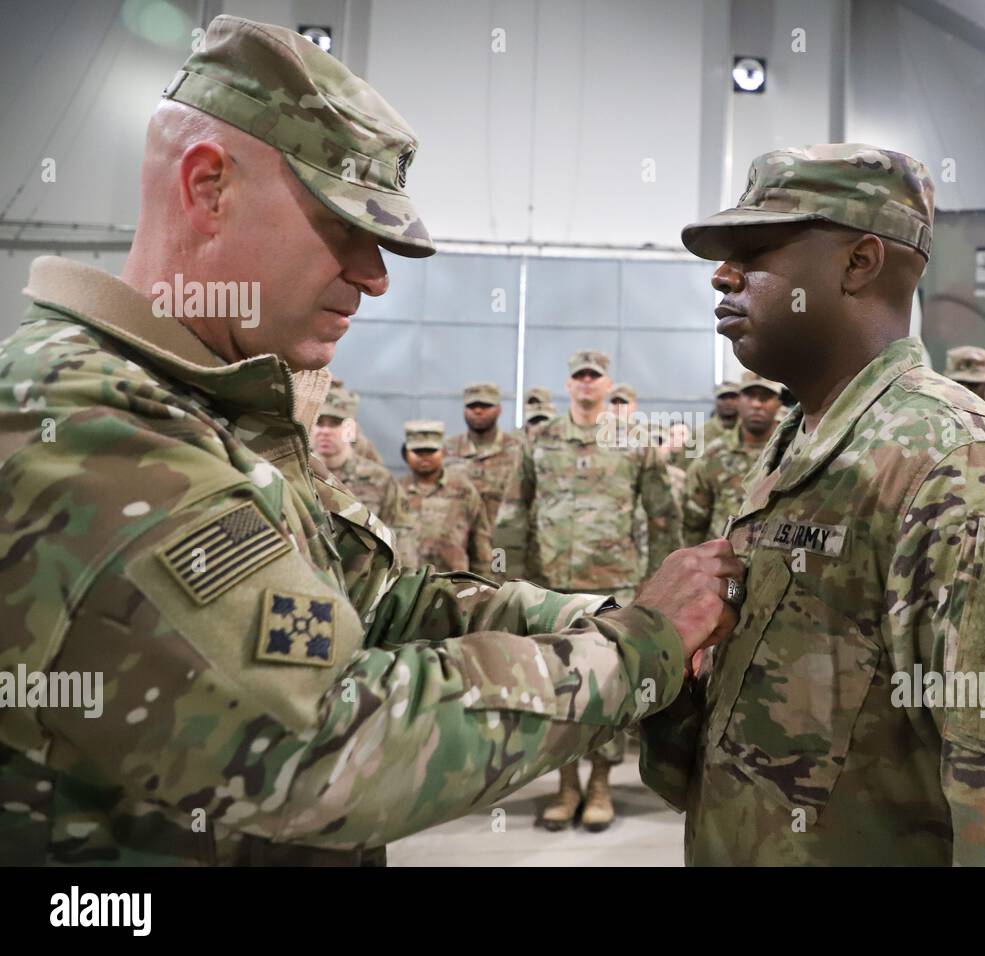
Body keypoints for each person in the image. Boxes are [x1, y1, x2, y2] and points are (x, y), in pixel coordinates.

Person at [0, 15, 740, 865]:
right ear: (208, 187)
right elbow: (326, 747)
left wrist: (610, 615)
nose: (376, 276)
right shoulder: (86, 423)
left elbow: (383, 605)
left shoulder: (217, 412)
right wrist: (639, 645)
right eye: (345, 226)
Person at [639, 143, 985, 866]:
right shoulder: (803, 441)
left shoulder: (969, 476)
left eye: (754, 250)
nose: (723, 276)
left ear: (859, 263)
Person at [496, 349, 682, 832]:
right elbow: (515, 512)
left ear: (606, 384)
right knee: (555, 686)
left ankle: (600, 784)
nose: (585, 383)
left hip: (614, 583)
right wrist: (511, 578)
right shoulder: (541, 440)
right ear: (568, 384)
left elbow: (663, 514)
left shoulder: (633, 441)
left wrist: (659, 580)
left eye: (593, 376)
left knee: (606, 686)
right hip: (550, 586)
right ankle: (565, 785)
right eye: (578, 375)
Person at [682, 371, 782, 545]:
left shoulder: (796, 451)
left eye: (765, 398)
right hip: (724, 561)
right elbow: (694, 522)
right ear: (739, 401)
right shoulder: (714, 455)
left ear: (778, 403)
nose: (757, 404)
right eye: (750, 397)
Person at [394, 420, 492, 576]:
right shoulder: (394, 492)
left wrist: (486, 587)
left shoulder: (464, 491)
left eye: (430, 450)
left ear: (444, 452)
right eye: (418, 451)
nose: (424, 457)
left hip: (453, 587)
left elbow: (481, 546)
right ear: (406, 454)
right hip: (404, 588)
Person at [312, 380, 402, 528]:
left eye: (335, 423)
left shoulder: (379, 479)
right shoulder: (297, 475)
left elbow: (400, 532)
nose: (325, 431)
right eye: (319, 422)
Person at [442, 381, 522, 527]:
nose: (478, 411)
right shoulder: (446, 450)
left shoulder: (518, 450)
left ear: (499, 409)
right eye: (471, 406)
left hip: (501, 538)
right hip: (458, 539)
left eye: (486, 406)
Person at [695, 381, 740, 448]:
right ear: (716, 401)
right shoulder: (701, 432)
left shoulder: (749, 430)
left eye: (732, 397)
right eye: (723, 397)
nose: (728, 402)